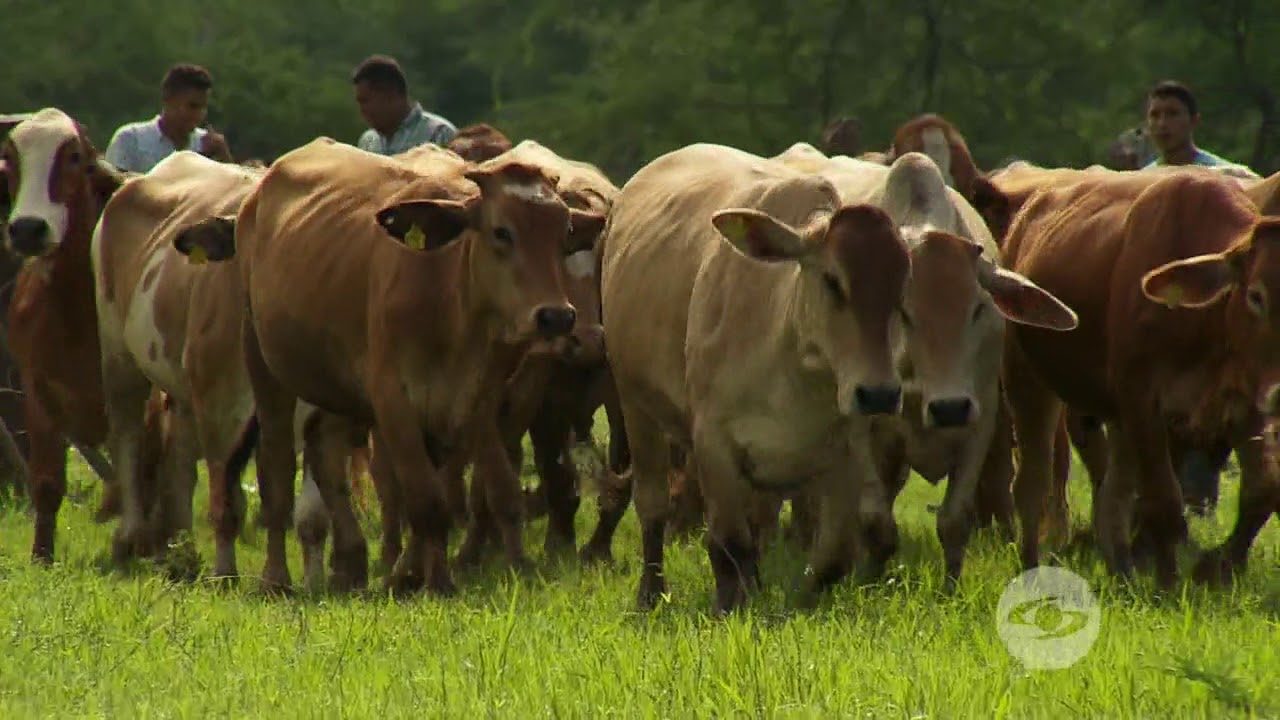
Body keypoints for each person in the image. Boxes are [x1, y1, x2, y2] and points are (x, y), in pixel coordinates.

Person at [104, 63, 233, 173]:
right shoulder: (131, 140)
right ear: (168, 99)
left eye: (204, 107)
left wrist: (225, 161)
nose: (199, 114)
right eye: (192, 106)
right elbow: (113, 192)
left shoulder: (207, 145)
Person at [1142, 80, 1257, 177]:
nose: (1162, 123)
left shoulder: (1227, 176)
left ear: (1194, 121)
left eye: (1173, 114)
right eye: (1155, 115)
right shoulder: (1143, 180)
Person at [352, 54, 457, 155]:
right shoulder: (367, 142)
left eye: (365, 101)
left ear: (390, 93)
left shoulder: (439, 134)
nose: (362, 110)